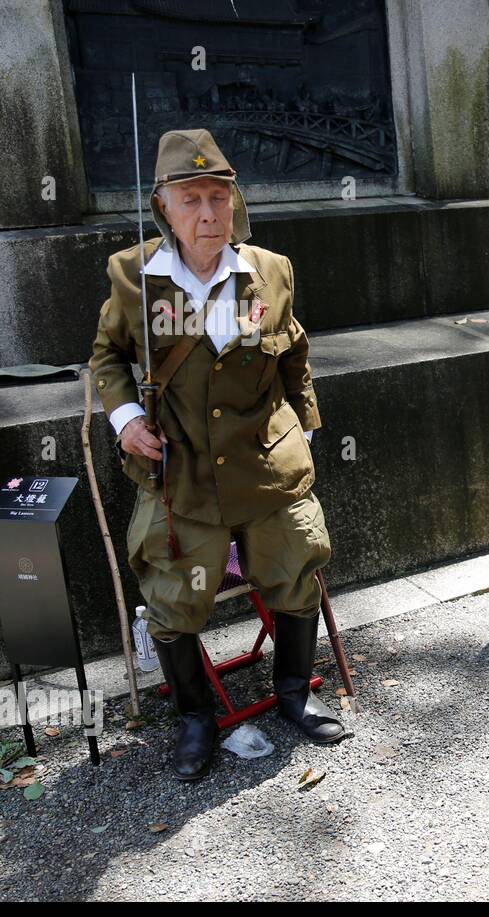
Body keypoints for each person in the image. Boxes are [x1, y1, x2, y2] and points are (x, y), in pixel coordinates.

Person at [89, 129, 343, 781]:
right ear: (164, 207)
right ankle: (197, 715)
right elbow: (107, 358)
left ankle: (292, 690)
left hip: (267, 469)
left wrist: (302, 436)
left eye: (218, 196)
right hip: (184, 479)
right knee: (174, 600)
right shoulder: (132, 280)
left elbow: (296, 359)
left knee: (296, 564)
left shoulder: (272, 272)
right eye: (190, 198)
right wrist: (124, 420)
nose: (207, 213)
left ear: (234, 203)